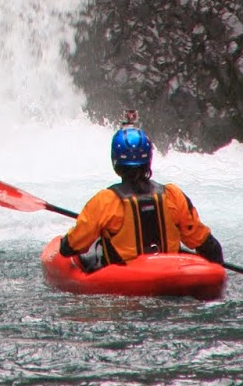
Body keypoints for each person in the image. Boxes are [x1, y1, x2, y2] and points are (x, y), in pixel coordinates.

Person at [58, 113, 224, 271]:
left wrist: (66, 243)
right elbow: (209, 246)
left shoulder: (106, 202)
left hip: (126, 284)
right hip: (171, 276)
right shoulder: (173, 195)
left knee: (95, 252)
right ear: (148, 159)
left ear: (116, 161)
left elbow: (72, 246)